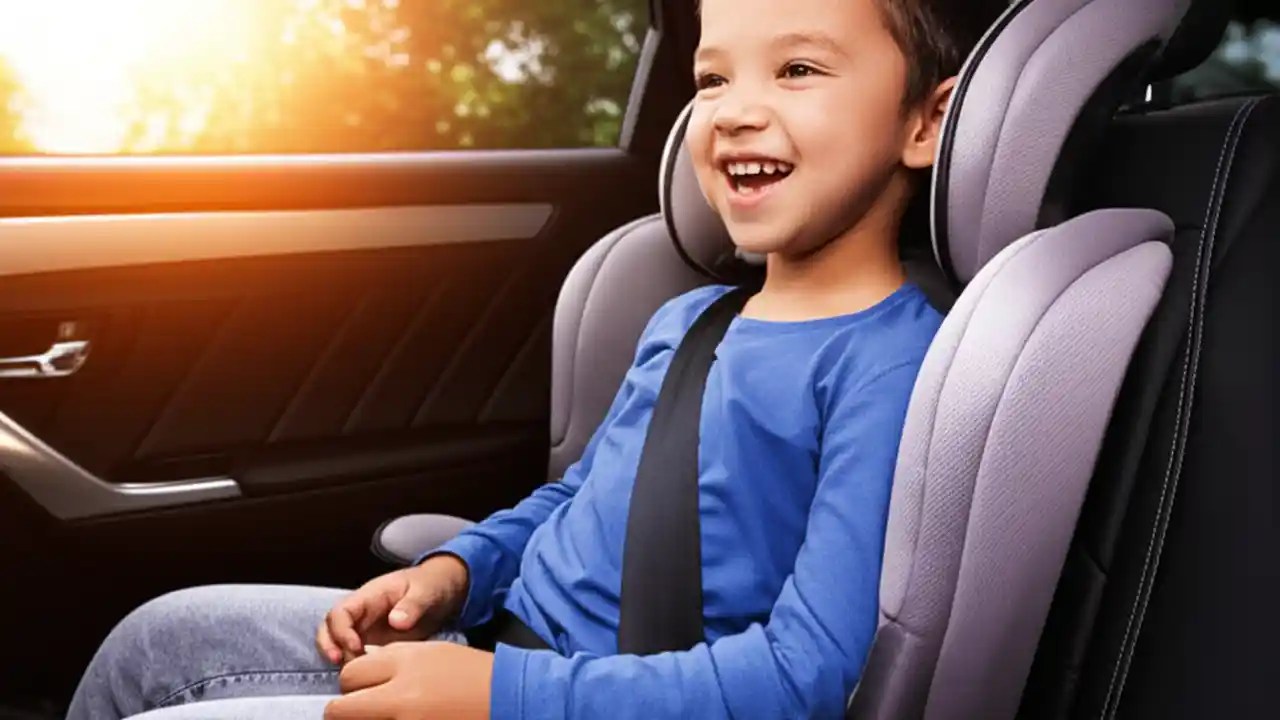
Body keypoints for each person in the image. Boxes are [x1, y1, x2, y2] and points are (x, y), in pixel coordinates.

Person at [66, 0, 1006, 717]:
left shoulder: (888, 369)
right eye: (713, 80)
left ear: (925, 123)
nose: (735, 113)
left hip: (576, 698)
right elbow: (577, 499)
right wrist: (458, 570)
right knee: (153, 643)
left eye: (797, 69)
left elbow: (805, 677)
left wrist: (496, 694)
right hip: (490, 647)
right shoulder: (689, 321)